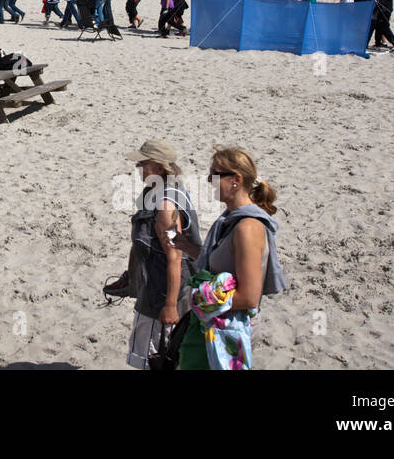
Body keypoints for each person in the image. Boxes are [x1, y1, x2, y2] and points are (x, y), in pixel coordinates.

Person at [174, 147, 285, 370]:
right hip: (216, 324)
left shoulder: (247, 227)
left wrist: (199, 298)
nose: (208, 179)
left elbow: (249, 297)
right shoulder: (230, 219)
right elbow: (224, 261)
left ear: (235, 179)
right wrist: (188, 247)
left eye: (215, 174)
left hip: (230, 330)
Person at [118, 141, 202, 370]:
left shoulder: (165, 204)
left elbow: (174, 256)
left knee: (154, 359)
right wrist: (132, 277)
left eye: (142, 163)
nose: (138, 168)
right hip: (158, 286)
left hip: (163, 293)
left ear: (159, 166)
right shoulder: (161, 190)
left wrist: (170, 305)